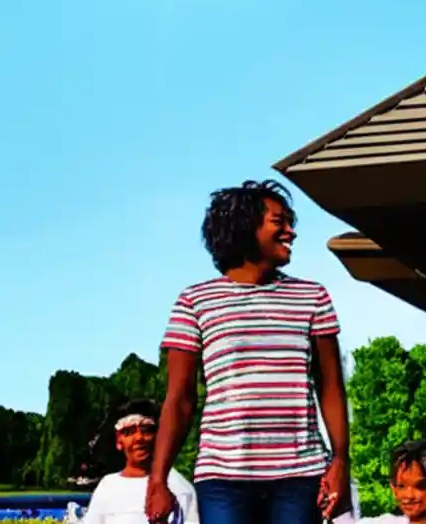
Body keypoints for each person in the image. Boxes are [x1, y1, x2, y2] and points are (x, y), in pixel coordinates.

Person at [146, 179, 351, 524]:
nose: (291, 232)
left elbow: (330, 385)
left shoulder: (312, 297)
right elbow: (179, 399)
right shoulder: (194, 302)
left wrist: (340, 460)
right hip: (223, 478)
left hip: (300, 475)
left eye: (290, 223)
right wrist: (158, 479)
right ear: (245, 228)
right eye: (279, 222)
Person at [82, 399, 199, 524]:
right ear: (119, 441)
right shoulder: (107, 486)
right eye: (129, 432)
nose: (138, 438)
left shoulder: (180, 488)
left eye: (146, 430)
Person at [334, 438, 426, 524]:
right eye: (401, 486)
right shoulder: (386, 522)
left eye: (420, 487)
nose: (409, 495)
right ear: (393, 487)